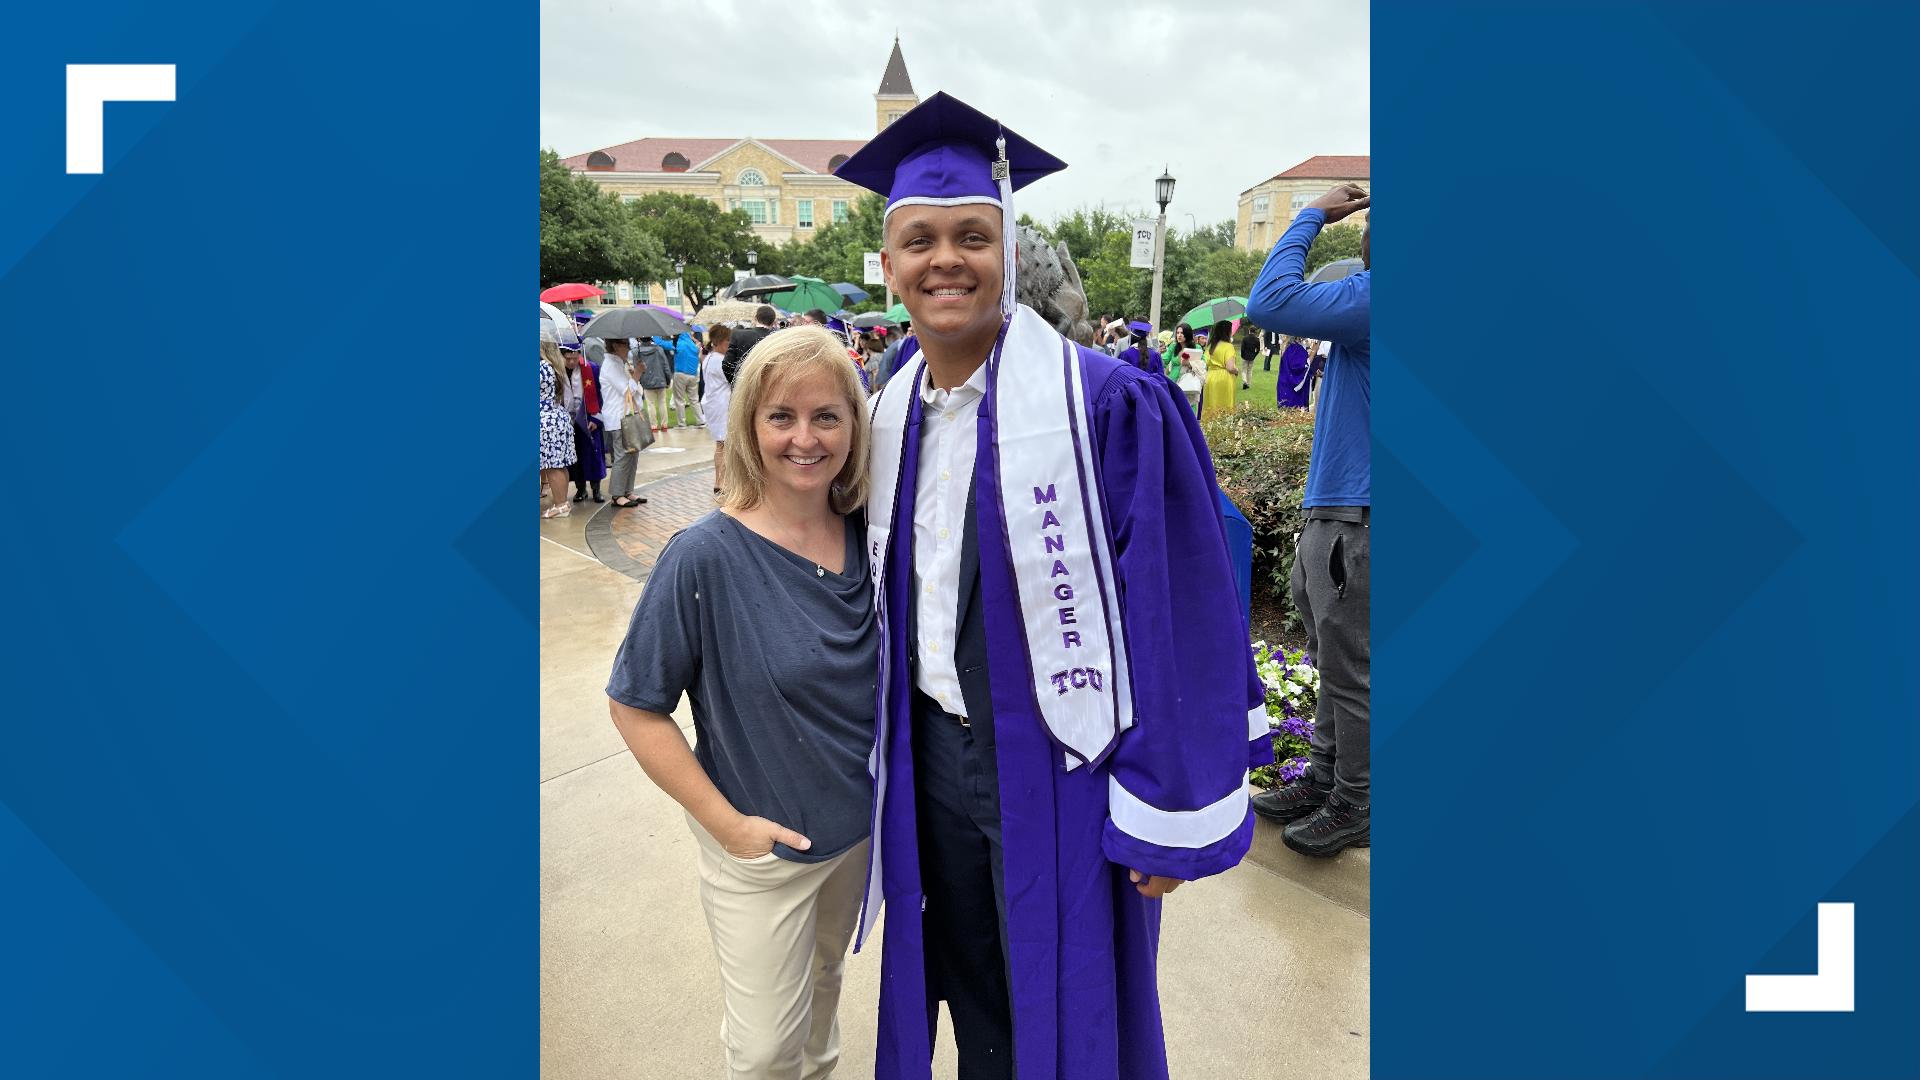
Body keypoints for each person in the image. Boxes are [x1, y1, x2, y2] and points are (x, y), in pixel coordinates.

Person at [835, 90, 1268, 1080]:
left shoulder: (1103, 405)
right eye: (921, 240)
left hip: (1066, 768)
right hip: (930, 761)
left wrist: (1170, 804)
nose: (947, 259)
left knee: (1073, 1007)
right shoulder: (887, 408)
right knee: (970, 975)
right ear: (891, 263)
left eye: (972, 236)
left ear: (1008, 248)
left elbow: (1176, 605)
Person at [607, 326, 876, 1080]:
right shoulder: (704, 557)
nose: (805, 437)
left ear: (854, 426)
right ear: (750, 427)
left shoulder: (868, 538)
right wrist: (729, 827)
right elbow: (635, 706)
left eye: (827, 416)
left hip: (855, 841)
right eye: (781, 417)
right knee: (762, 1054)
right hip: (760, 853)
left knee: (824, 998)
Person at [1245, 183, 1371, 857]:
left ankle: (1356, 800)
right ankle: (1325, 777)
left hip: (1359, 515)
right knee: (1335, 656)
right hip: (1341, 508)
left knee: (1350, 665)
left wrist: (1312, 214)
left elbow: (1270, 300)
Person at [598, 337, 648, 509]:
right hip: (618, 417)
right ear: (615, 345)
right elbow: (626, 391)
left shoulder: (620, 363)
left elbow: (633, 388)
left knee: (633, 455)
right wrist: (637, 374)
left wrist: (634, 374)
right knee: (622, 457)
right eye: (625, 344)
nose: (628, 348)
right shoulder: (611, 365)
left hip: (627, 415)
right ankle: (617, 494)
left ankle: (627, 490)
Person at [539, 339, 578, 520]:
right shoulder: (554, 366)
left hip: (547, 421)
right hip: (556, 418)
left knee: (553, 466)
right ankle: (561, 503)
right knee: (558, 465)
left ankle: (560, 504)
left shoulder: (542, 368)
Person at [564, 342, 607, 503]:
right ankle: (580, 489)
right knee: (575, 458)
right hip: (569, 421)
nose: (571, 362)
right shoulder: (558, 372)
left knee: (593, 455)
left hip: (589, 418)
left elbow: (601, 394)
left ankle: (596, 489)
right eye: (568, 359)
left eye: (574, 358)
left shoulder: (591, 369)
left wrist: (597, 418)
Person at [700, 324, 733, 493]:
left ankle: (719, 480)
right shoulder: (720, 361)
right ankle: (723, 481)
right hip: (721, 405)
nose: (730, 343)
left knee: (720, 445)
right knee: (725, 445)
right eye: (728, 340)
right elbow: (732, 380)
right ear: (719, 341)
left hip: (713, 404)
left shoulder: (708, 358)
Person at [723, 305, 780, 385]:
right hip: (769, 389)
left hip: (743, 387)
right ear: (773, 321)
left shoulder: (738, 335)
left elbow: (727, 365)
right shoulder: (778, 338)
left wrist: (737, 385)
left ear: (756, 318)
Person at [1198, 319, 1240, 421]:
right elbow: (1230, 367)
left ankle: (1209, 426)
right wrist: (1236, 370)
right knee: (1224, 404)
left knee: (1210, 404)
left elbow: (1205, 362)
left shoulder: (1210, 346)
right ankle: (1223, 427)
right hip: (1224, 378)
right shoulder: (1228, 346)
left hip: (1210, 377)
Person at [668, 332, 702, 428]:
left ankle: (682, 423)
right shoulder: (693, 345)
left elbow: (662, 344)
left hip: (680, 373)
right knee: (694, 399)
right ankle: (700, 421)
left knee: (679, 400)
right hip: (692, 374)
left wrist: (657, 336)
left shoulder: (677, 343)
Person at [1274, 335, 1314, 409]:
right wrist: (1314, 351)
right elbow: (1300, 368)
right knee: (1293, 414)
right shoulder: (1296, 349)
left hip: (1284, 385)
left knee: (1284, 413)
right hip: (1293, 390)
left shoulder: (1287, 347)